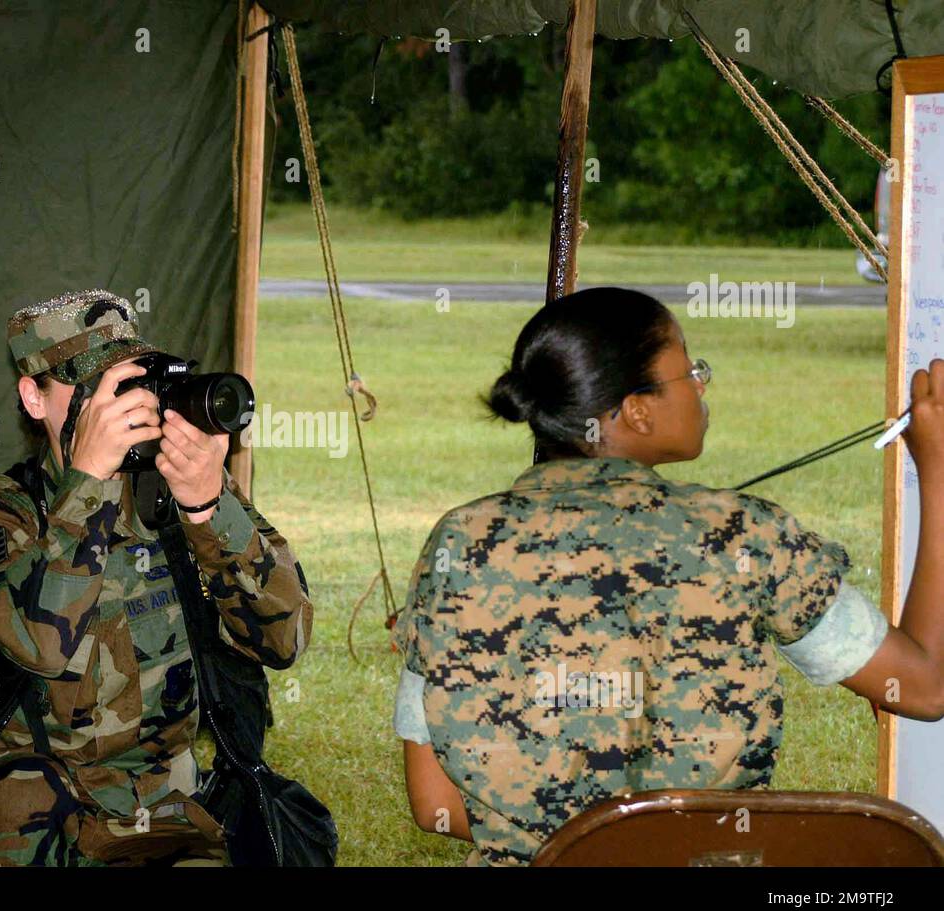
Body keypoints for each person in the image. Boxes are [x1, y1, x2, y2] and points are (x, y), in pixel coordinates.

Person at [392, 286, 944, 865]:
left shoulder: (458, 543)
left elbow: (436, 803)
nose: (702, 385)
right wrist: (936, 470)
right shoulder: (745, 537)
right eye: (690, 371)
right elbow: (925, 687)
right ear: (637, 409)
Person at [0, 289, 313, 866]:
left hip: (157, 802)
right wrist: (89, 478)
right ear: (33, 397)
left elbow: (283, 638)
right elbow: (40, 644)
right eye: (91, 383)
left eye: (130, 380)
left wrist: (208, 507)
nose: (119, 402)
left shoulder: (176, 494)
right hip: (28, 798)